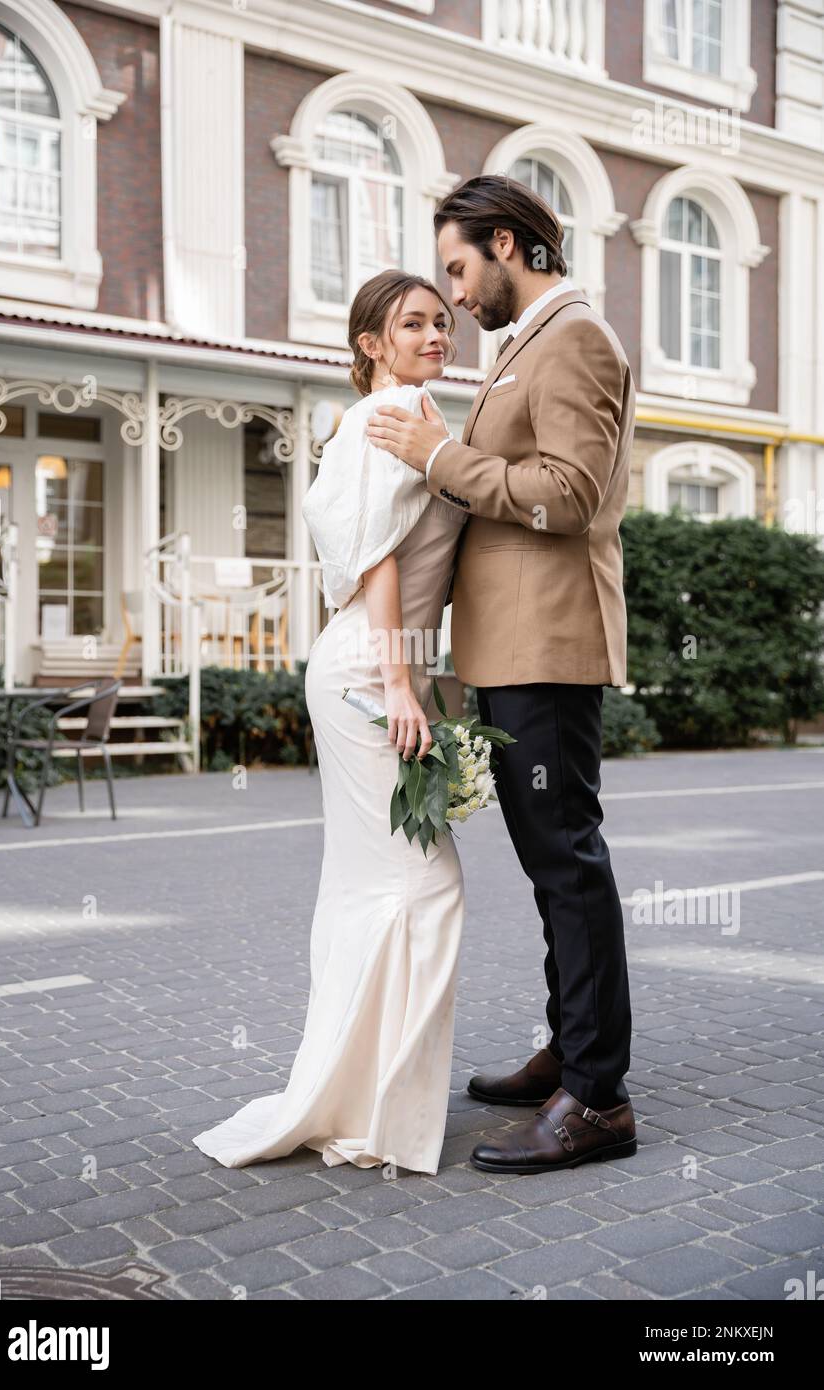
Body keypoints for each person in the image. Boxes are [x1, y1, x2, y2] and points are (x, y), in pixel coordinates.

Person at [365, 174, 638, 1174]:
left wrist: (439, 455)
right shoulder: (522, 348)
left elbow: (567, 494)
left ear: (509, 245)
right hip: (508, 647)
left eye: (457, 266)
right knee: (548, 864)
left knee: (566, 861)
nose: (453, 292)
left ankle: (596, 1097)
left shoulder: (576, 341)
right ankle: (572, 1051)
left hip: (547, 647)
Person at [192, 270, 468, 1176]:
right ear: (370, 343)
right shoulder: (392, 415)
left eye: (442, 320)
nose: (436, 334)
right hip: (368, 670)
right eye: (414, 324)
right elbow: (379, 559)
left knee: (367, 886)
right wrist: (401, 682)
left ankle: (361, 1099)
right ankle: (374, 1107)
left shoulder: (393, 418)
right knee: (426, 888)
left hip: (370, 663)